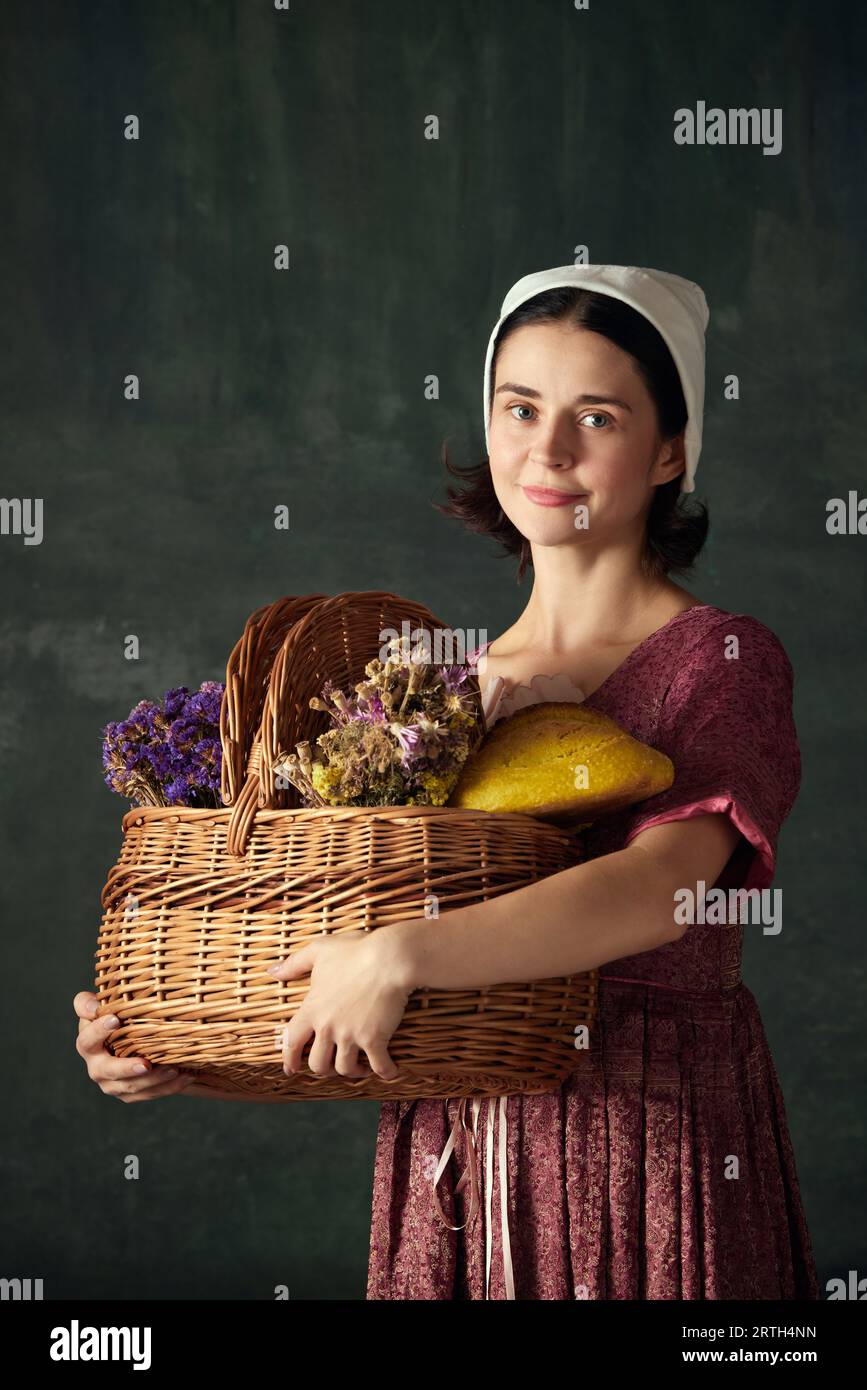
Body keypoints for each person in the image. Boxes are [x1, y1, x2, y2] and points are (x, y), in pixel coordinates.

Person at [74, 262, 820, 1301]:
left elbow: (664, 891)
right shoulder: (429, 690)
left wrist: (405, 951)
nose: (546, 450)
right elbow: (351, 963)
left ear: (671, 450)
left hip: (646, 1135)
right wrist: (184, 1044)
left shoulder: (721, 660)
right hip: (454, 1154)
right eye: (520, 407)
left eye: (595, 416)